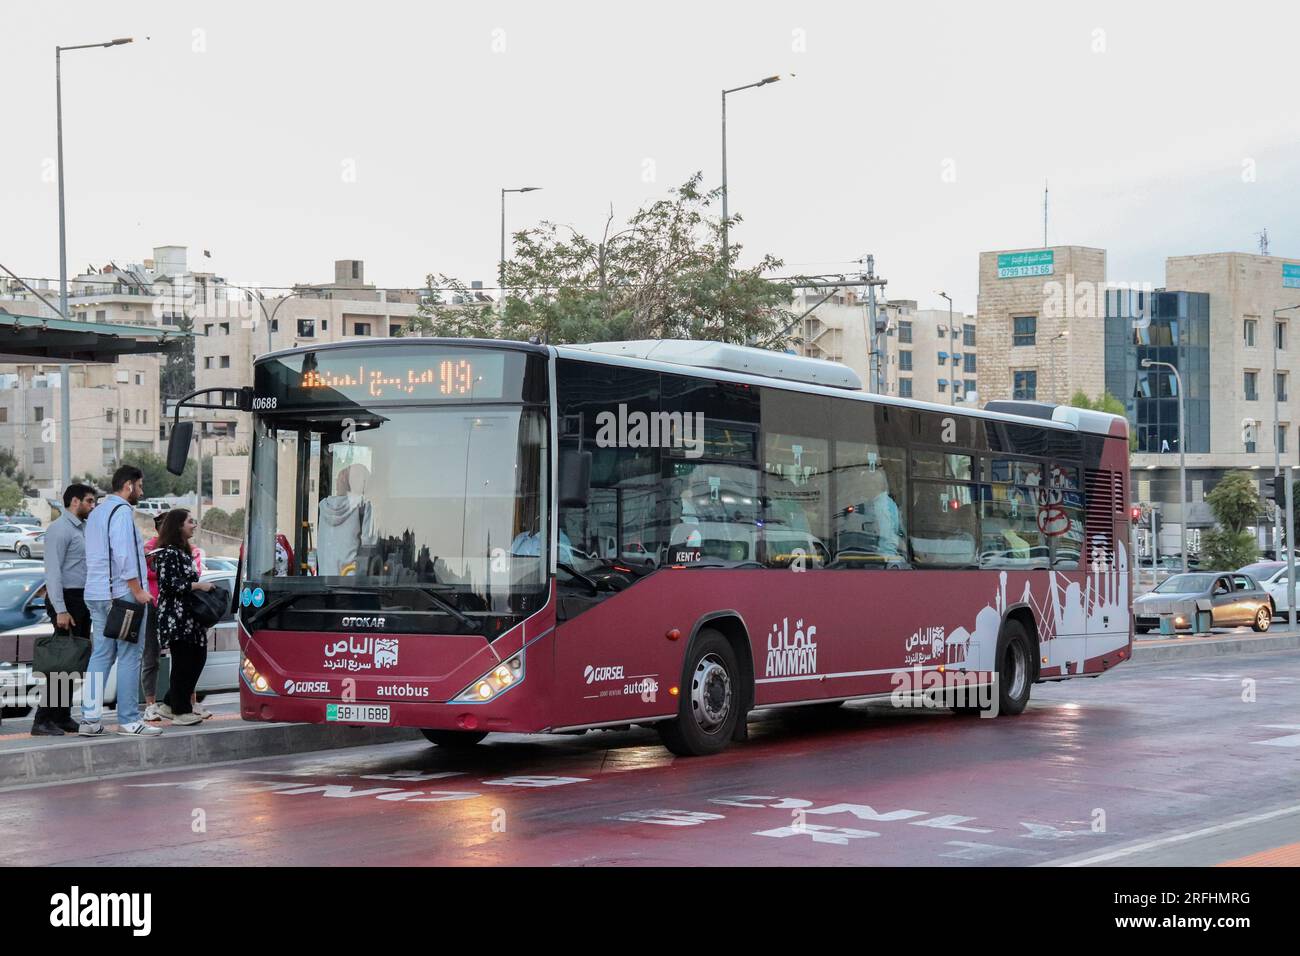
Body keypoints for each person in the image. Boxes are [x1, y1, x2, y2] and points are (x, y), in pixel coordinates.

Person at [80, 465, 160, 737]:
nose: (141, 491)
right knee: (129, 655)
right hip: (121, 595)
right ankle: (128, 719)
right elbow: (124, 553)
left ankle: (89, 719)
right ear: (128, 485)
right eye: (139, 486)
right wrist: (137, 590)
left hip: (96, 593)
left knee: (101, 654)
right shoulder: (123, 512)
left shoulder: (97, 511)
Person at [33, 483, 97, 736]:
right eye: (89, 501)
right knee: (61, 662)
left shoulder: (82, 528)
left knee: (73, 661)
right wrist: (60, 609)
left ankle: (62, 716)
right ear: (75, 502)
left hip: (80, 599)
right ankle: (42, 720)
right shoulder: (59, 530)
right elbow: (53, 573)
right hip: (66, 600)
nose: (92, 506)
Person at [152, 509, 216, 727]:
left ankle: (171, 703)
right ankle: (181, 710)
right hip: (177, 616)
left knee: (197, 657)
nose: (194, 525)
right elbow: (169, 584)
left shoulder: (183, 551)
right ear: (178, 525)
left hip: (190, 616)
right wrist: (199, 585)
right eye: (190, 521)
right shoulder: (169, 553)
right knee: (184, 662)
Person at [317, 463, 376, 576]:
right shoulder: (363, 507)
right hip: (351, 583)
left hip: (325, 583)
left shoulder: (323, 507)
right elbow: (369, 547)